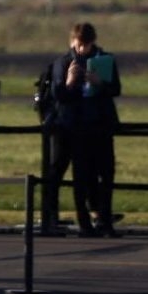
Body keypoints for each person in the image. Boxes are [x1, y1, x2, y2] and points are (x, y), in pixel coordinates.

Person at [39, 22, 122, 236]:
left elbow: (116, 89)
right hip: (75, 127)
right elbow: (58, 95)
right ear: (73, 42)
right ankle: (83, 223)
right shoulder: (63, 62)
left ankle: (105, 220)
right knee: (80, 175)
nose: (83, 49)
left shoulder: (105, 60)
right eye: (79, 44)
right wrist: (69, 82)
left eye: (87, 44)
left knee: (106, 174)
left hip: (100, 126)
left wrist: (99, 83)